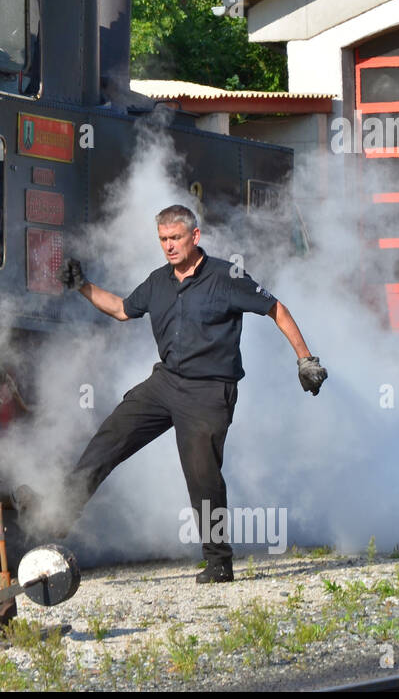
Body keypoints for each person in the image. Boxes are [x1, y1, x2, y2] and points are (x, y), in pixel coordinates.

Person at [38, 204, 327, 583]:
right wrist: (82, 287)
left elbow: (277, 310)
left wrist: (305, 360)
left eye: (175, 238)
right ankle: (61, 512)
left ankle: (219, 562)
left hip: (210, 390)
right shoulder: (158, 281)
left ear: (195, 236)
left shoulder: (227, 276)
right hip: (166, 383)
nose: (169, 246)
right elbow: (123, 310)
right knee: (110, 437)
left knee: (202, 475)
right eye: (162, 240)